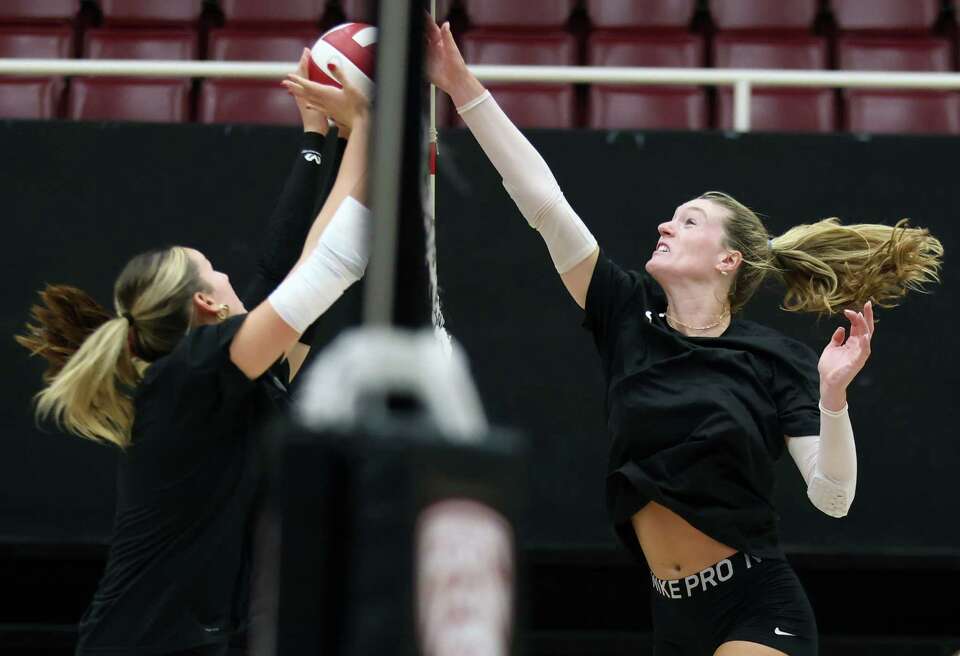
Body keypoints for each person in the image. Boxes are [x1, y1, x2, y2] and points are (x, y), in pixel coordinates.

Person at [424, 18, 944, 656]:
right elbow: (542, 202)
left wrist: (833, 398)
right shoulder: (624, 314)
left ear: (729, 261)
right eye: (672, 217)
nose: (666, 226)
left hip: (758, 604)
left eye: (689, 220)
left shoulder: (777, 359)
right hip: (671, 618)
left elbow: (833, 500)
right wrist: (460, 85)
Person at [15, 58, 371, 655]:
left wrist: (326, 138)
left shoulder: (213, 373)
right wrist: (377, 137)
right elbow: (323, 269)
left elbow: (287, 265)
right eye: (214, 268)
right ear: (206, 303)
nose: (233, 274)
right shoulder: (190, 374)